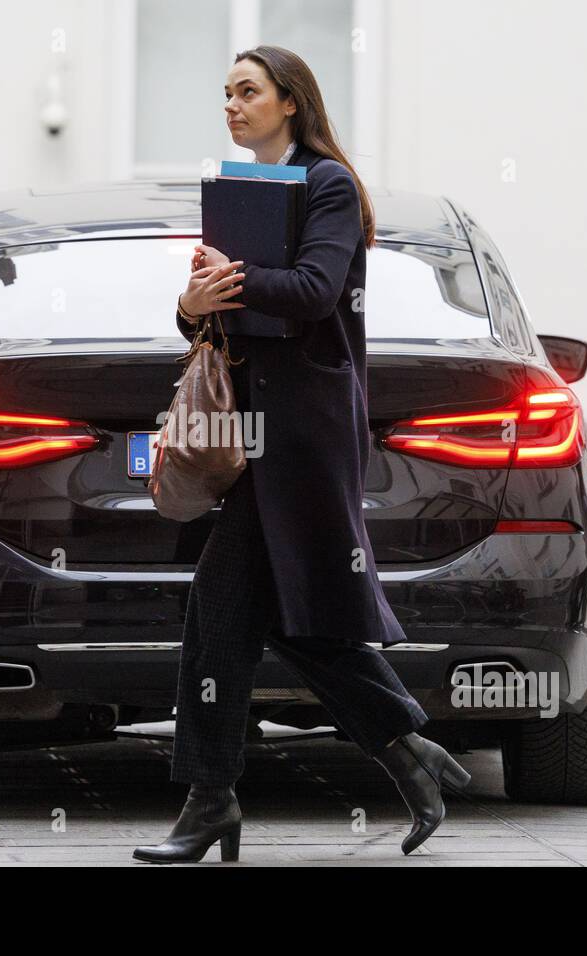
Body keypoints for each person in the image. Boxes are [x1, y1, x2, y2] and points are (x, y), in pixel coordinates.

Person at [132, 46, 471, 865]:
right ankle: (406, 752)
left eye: (247, 91)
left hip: (304, 437)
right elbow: (221, 319)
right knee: (279, 615)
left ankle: (212, 802)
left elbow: (319, 292)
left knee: (223, 609)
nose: (232, 105)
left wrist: (234, 278)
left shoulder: (328, 186)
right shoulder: (241, 191)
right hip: (248, 432)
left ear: (291, 101)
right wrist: (192, 302)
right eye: (225, 93)